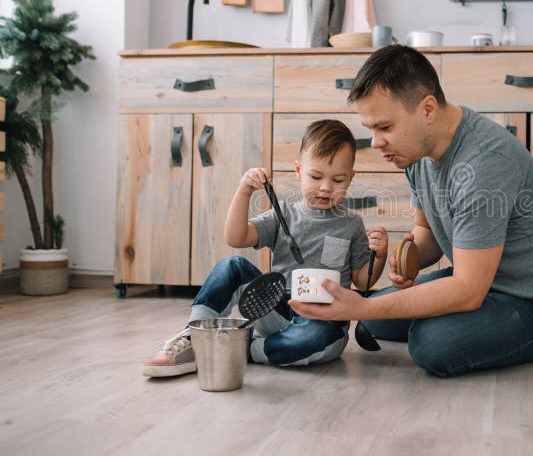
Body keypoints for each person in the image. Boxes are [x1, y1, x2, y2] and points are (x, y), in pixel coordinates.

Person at [289, 45, 533, 378]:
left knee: (430, 343)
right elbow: (427, 232)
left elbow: (467, 289)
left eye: (384, 127)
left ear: (427, 108)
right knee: (374, 318)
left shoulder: (483, 164)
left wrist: (365, 304)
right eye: (370, 128)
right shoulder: (416, 152)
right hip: (485, 283)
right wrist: (408, 256)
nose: (375, 142)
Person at [143, 119, 389, 377]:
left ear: (351, 177)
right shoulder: (283, 214)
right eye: (316, 176)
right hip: (274, 306)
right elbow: (236, 237)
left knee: (315, 338)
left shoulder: (351, 224)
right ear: (298, 171)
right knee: (232, 266)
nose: (326, 187)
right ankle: (196, 335)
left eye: (338, 180)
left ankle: (240, 348)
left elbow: (363, 281)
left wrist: (379, 255)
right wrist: (244, 191)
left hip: (323, 320)